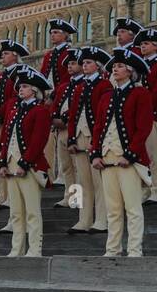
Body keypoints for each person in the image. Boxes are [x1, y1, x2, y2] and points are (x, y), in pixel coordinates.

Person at [90, 48, 154, 256]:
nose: (114, 69)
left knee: (133, 208)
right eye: (114, 67)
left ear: (130, 71)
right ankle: (113, 248)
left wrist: (131, 154)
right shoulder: (107, 97)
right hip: (107, 159)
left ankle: (135, 250)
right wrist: (95, 153)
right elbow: (99, 127)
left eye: (119, 66)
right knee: (113, 209)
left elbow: (143, 127)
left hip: (128, 160)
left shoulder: (140, 93)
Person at [0, 68, 53, 257]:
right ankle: (17, 248)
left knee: (31, 211)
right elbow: (6, 138)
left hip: (29, 167)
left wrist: (25, 163)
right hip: (12, 164)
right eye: (20, 86)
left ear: (35, 90)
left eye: (24, 86)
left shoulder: (40, 111)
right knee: (16, 212)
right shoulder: (15, 111)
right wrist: (3, 162)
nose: (20, 89)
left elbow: (38, 141)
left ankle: (35, 249)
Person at [66, 46, 111, 235]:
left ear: (98, 66)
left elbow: (103, 117)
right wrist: (70, 139)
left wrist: (98, 142)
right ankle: (83, 219)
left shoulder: (104, 86)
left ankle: (102, 219)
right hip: (79, 136)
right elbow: (73, 115)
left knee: (99, 182)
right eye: (83, 63)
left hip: (94, 138)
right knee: (81, 181)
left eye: (88, 62)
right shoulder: (79, 87)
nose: (84, 66)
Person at [0, 40, 27, 211]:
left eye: (6, 53)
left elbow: (13, 100)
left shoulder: (20, 74)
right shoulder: (1, 75)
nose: (3, 56)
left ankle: (11, 197)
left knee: (7, 159)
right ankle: (1, 197)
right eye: (2, 53)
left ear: (15, 56)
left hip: (8, 123)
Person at [132, 29, 157, 205]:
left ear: (156, 46)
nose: (143, 46)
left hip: (153, 116)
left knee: (154, 157)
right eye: (141, 44)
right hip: (139, 117)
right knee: (142, 157)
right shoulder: (138, 67)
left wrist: (141, 107)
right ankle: (146, 189)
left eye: (146, 43)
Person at [40, 19, 78, 187]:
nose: (52, 35)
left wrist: (54, 96)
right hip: (48, 100)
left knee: (63, 140)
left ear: (66, 35)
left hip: (62, 99)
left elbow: (67, 79)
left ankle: (63, 176)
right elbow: (42, 77)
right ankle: (48, 174)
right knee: (48, 139)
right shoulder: (49, 55)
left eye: (56, 32)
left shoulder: (69, 53)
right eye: (52, 32)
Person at [50, 54, 83, 208]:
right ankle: (68, 196)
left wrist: (63, 118)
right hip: (61, 130)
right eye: (69, 63)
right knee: (66, 166)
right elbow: (55, 106)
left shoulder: (84, 84)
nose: (70, 66)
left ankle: (76, 198)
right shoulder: (63, 87)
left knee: (77, 166)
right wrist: (55, 118)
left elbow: (78, 107)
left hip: (76, 129)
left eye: (74, 63)